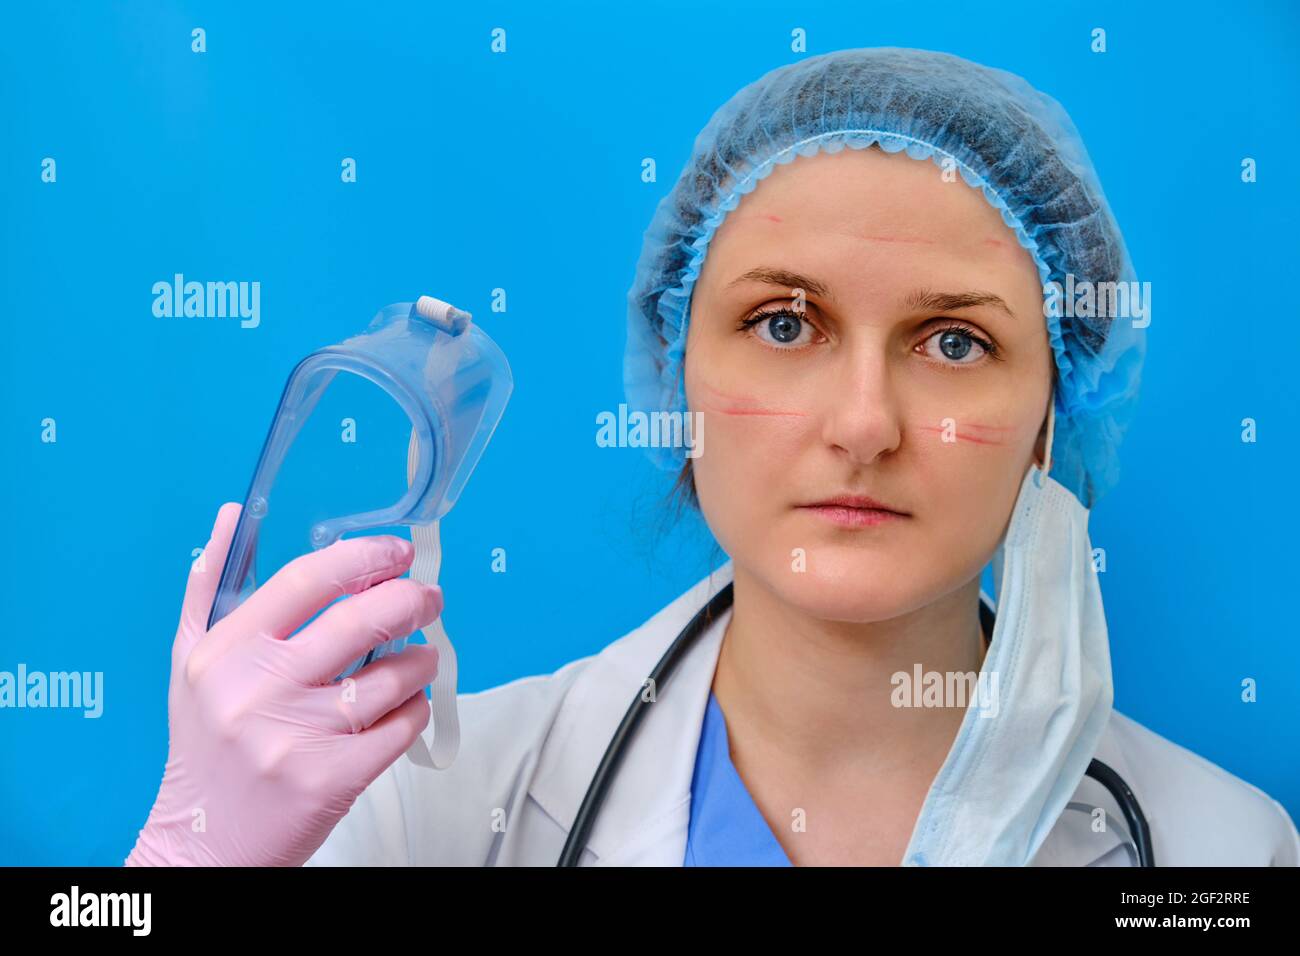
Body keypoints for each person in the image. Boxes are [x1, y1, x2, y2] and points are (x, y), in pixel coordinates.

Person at [126, 47, 1298, 867]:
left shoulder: (1219, 850)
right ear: (677, 370)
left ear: (1056, 407)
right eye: (783, 323)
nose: (862, 422)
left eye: (954, 341)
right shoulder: (423, 811)